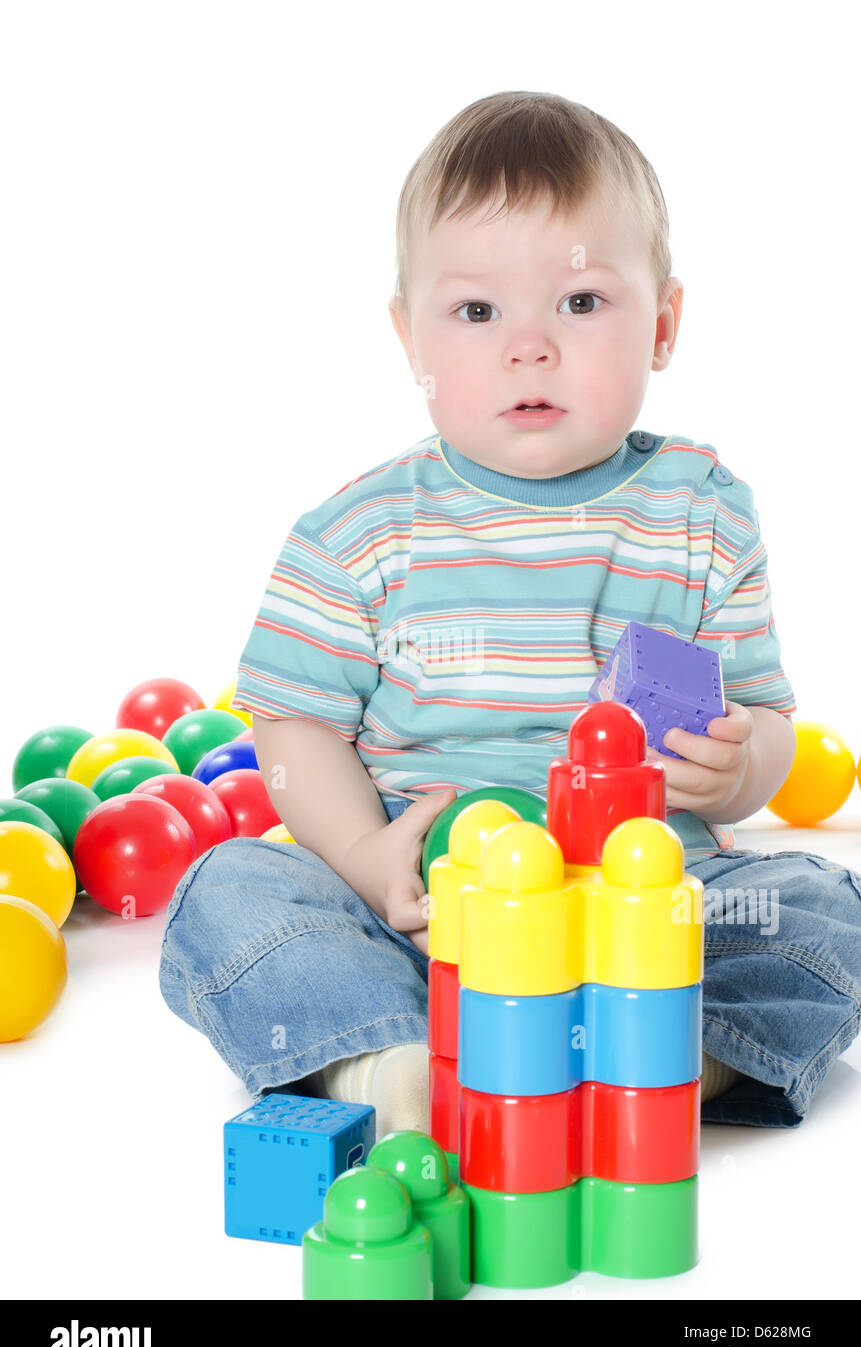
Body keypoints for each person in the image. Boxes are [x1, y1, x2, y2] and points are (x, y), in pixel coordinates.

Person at [159, 90, 861, 1135]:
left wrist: (740, 760)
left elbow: (760, 721)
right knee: (230, 884)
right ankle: (384, 1062)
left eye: (580, 303)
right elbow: (292, 725)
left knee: (819, 906)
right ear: (411, 339)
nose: (529, 347)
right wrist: (363, 857)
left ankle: (665, 1060)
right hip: (423, 910)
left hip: (638, 917)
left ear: (662, 323)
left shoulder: (700, 514)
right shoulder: (357, 532)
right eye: (478, 313)